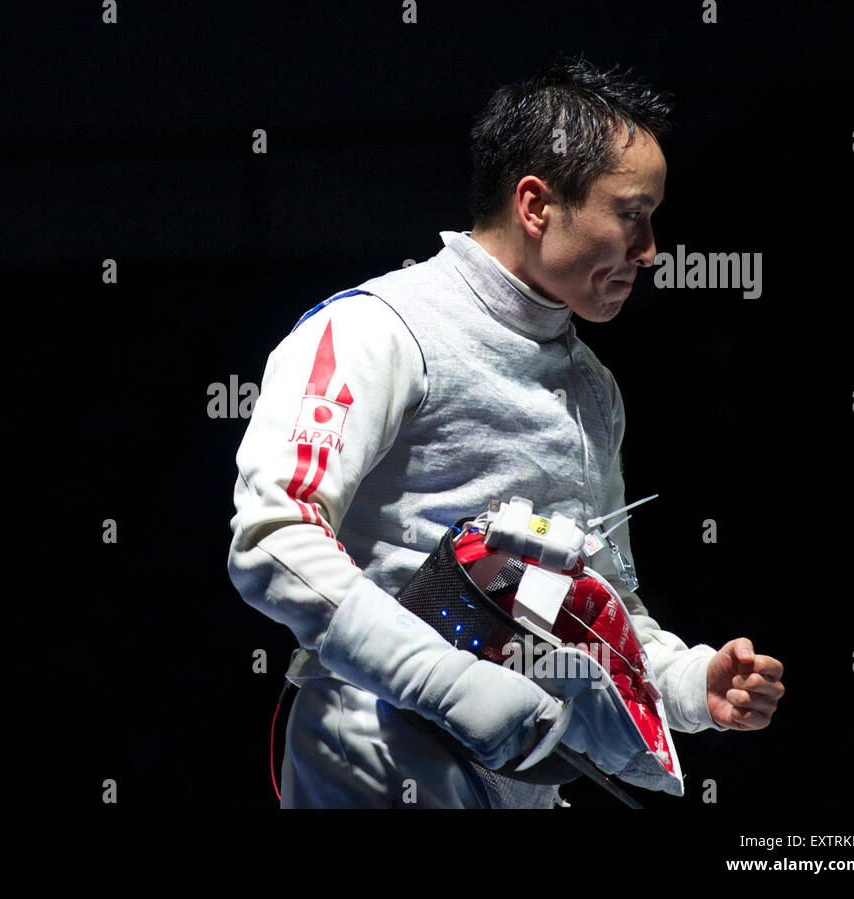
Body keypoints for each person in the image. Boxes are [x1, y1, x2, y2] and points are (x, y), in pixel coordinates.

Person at [226, 55, 784, 809]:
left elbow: (595, 602)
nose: (651, 249)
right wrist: (446, 681)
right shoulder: (376, 329)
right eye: (631, 214)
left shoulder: (592, 385)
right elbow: (272, 538)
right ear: (536, 205)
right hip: (379, 755)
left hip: (526, 763)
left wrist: (688, 680)